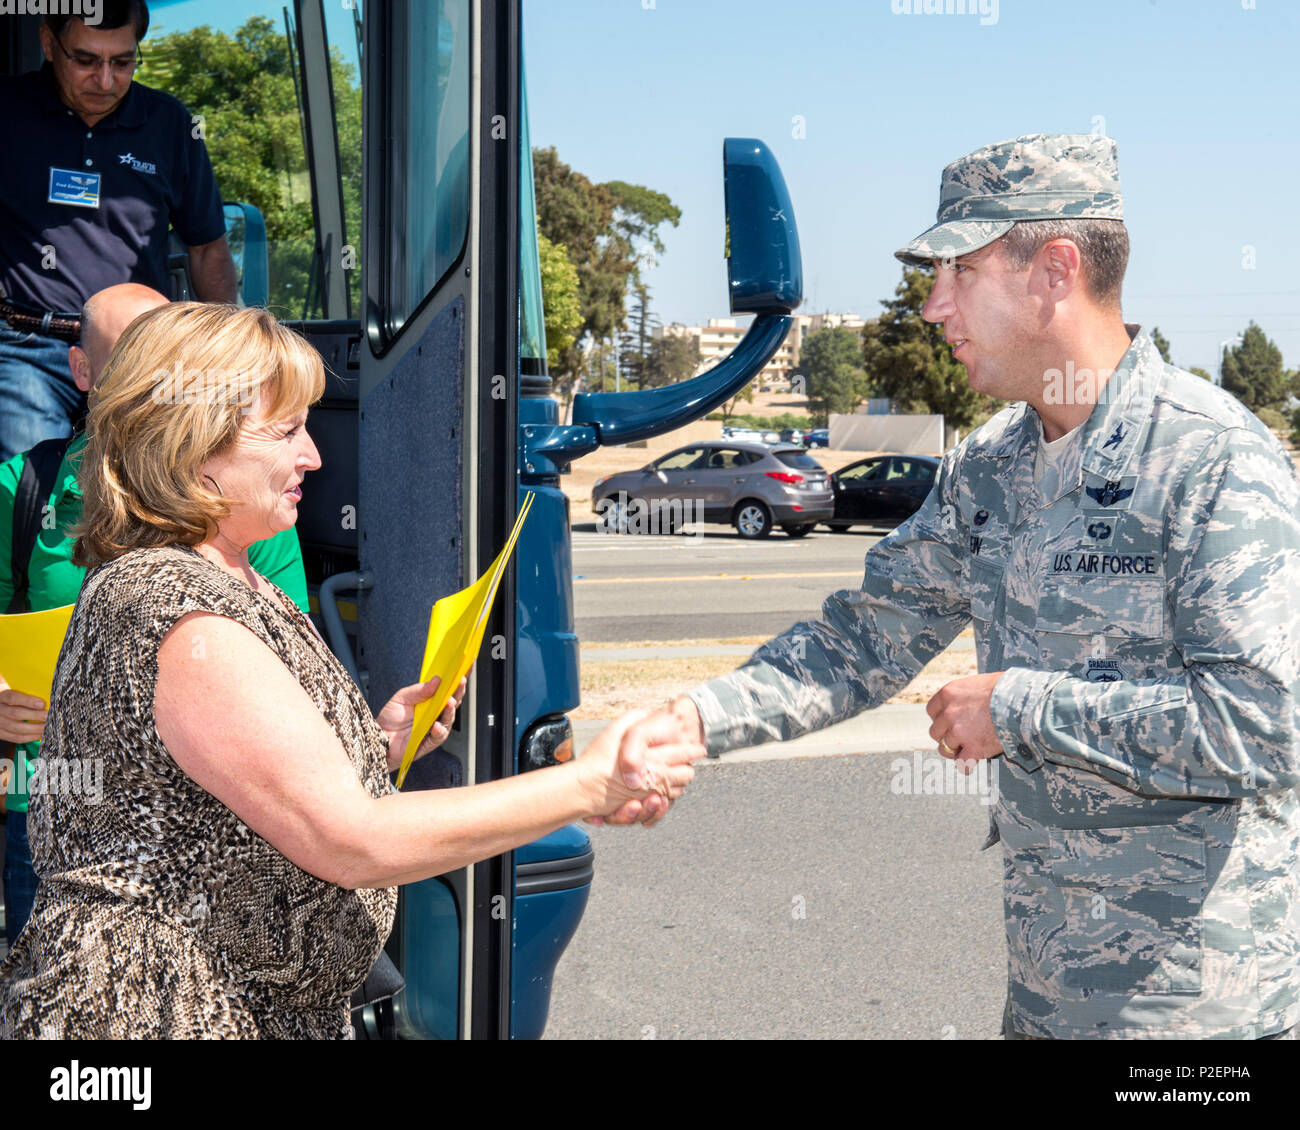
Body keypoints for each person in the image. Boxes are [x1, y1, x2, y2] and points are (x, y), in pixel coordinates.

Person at [609, 134, 1300, 1040]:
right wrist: (697, 720)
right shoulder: (991, 466)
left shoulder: (1211, 458)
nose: (933, 306)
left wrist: (1018, 708)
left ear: (1055, 269)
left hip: (1195, 1019)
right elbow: (863, 638)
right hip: (1045, 993)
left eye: (957, 271)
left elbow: (1264, 727)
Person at [0, 303, 700, 1039]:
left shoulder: (238, 578)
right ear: (191, 445)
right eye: (284, 431)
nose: (314, 456)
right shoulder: (172, 607)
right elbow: (352, 840)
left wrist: (377, 742)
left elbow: (236, 783)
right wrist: (588, 783)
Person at [0, 283, 311, 949]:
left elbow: (294, 663)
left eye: (174, 363)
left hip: (201, 817)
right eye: (133, 359)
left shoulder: (255, 502)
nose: (157, 381)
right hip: (55, 802)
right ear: (83, 371)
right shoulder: (21, 487)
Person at [0, 0, 238, 462]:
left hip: (139, 355)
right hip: (26, 350)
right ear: (49, 44)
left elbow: (207, 247)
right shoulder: (7, 112)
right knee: (36, 495)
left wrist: (225, 354)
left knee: (146, 497)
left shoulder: (170, 125)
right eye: (86, 60)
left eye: (122, 62)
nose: (105, 80)